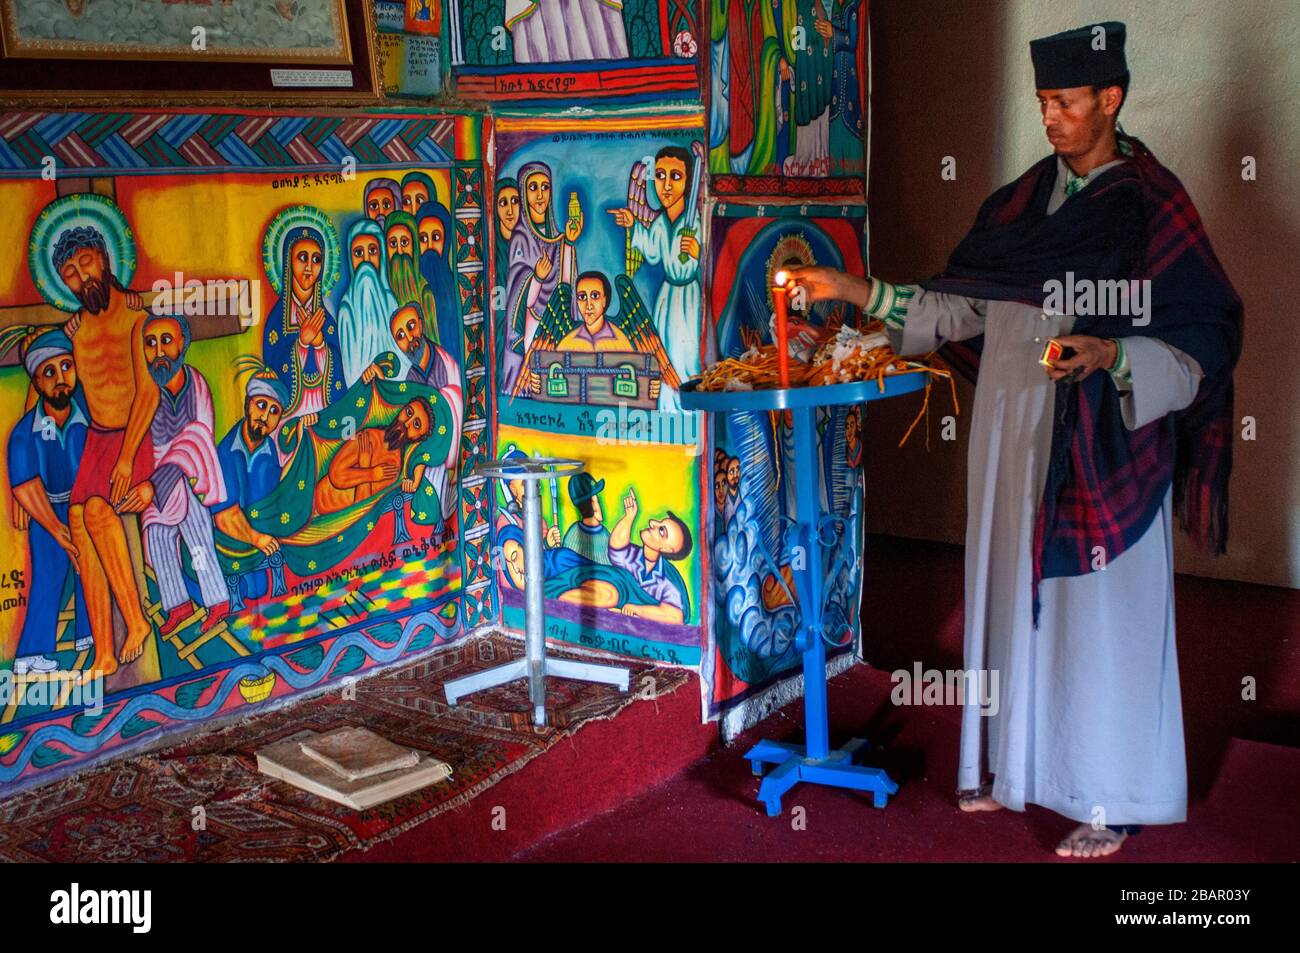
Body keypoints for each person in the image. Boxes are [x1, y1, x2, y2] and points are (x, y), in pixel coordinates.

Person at [786, 22, 1241, 859]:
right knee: (1011, 599)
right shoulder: (1019, 204)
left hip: (1106, 446)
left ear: (1111, 98)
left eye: (1066, 102)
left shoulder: (1151, 203)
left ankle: (1109, 795)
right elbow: (959, 306)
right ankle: (1018, 770)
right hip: (1012, 432)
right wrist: (856, 288)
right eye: (1042, 103)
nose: (1051, 119)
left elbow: (1206, 331)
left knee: (1098, 618)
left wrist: (1112, 354)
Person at [55, 225, 158, 675]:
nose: (83, 277)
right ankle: (103, 648)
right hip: (98, 438)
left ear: (104, 257)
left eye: (87, 263)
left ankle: (137, 623)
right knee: (77, 521)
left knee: (96, 511)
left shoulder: (137, 318)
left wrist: (125, 458)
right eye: (71, 274)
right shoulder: (74, 331)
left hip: (135, 437)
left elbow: (149, 395)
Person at [136, 314, 277, 639]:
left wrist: (164, 474)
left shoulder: (195, 384)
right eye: (151, 343)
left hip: (193, 481)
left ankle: (217, 602)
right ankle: (178, 605)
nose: (159, 351)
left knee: (199, 543)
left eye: (166, 341)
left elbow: (197, 438)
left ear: (183, 344)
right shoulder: (146, 393)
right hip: (158, 484)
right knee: (157, 539)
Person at [6, 329, 91, 674]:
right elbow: (25, 486)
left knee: (90, 566)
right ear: (37, 383)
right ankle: (31, 654)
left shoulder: (88, 414)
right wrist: (57, 529)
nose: (60, 379)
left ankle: (90, 633)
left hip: (85, 506)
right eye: (49, 372)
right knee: (49, 573)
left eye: (66, 366)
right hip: (47, 510)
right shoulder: (25, 433)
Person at [609, 146, 701, 412]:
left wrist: (698, 251)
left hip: (688, 297)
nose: (667, 185)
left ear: (687, 181)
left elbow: (712, 256)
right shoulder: (661, 222)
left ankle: (690, 410)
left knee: (688, 356)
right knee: (665, 357)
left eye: (675, 176)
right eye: (660, 176)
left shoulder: (694, 220)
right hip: (667, 298)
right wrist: (633, 224)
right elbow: (650, 251)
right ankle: (670, 409)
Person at [216, 370, 297, 601]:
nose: (265, 416)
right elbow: (224, 515)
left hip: (261, 532)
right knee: (246, 593)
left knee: (261, 589)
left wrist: (300, 452)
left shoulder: (269, 448)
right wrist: (257, 538)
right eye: (261, 405)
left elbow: (277, 487)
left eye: (274, 411)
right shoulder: (227, 451)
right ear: (247, 405)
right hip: (230, 538)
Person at [502, 161, 582, 394]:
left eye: (545, 187)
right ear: (524, 193)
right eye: (533, 188)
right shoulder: (521, 238)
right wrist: (536, 277)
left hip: (557, 323)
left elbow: (565, 286)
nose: (540, 195)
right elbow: (518, 290)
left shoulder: (558, 239)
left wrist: (569, 242)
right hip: (532, 324)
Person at [262, 223, 346, 420]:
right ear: (288, 261)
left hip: (324, 413)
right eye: (302, 258)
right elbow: (273, 368)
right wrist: (301, 343)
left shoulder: (327, 322)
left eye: (316, 259)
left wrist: (319, 345)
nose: (309, 267)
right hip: (288, 418)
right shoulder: (276, 322)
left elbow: (339, 380)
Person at [312, 397, 435, 515]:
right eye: (408, 412)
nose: (407, 423)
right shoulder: (369, 436)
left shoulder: (393, 467)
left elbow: (361, 507)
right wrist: (372, 474)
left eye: (416, 424)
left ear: (418, 438)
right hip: (311, 501)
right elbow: (335, 475)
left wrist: (366, 465)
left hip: (332, 520)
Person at [607, 488, 692, 624]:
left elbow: (675, 617)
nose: (652, 522)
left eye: (661, 530)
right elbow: (616, 549)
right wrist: (629, 517)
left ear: (666, 549)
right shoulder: (633, 556)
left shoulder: (667, 580)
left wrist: (636, 609)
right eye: (659, 523)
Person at [338, 218, 404, 386]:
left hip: (394, 387)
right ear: (350, 258)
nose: (366, 260)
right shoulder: (347, 308)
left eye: (373, 251)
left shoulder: (390, 301)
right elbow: (349, 369)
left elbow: (402, 358)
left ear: (381, 255)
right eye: (359, 253)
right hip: (363, 392)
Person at [546, 471, 611, 565]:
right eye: (597, 501)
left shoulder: (605, 534)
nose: (599, 506)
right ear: (592, 506)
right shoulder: (573, 536)